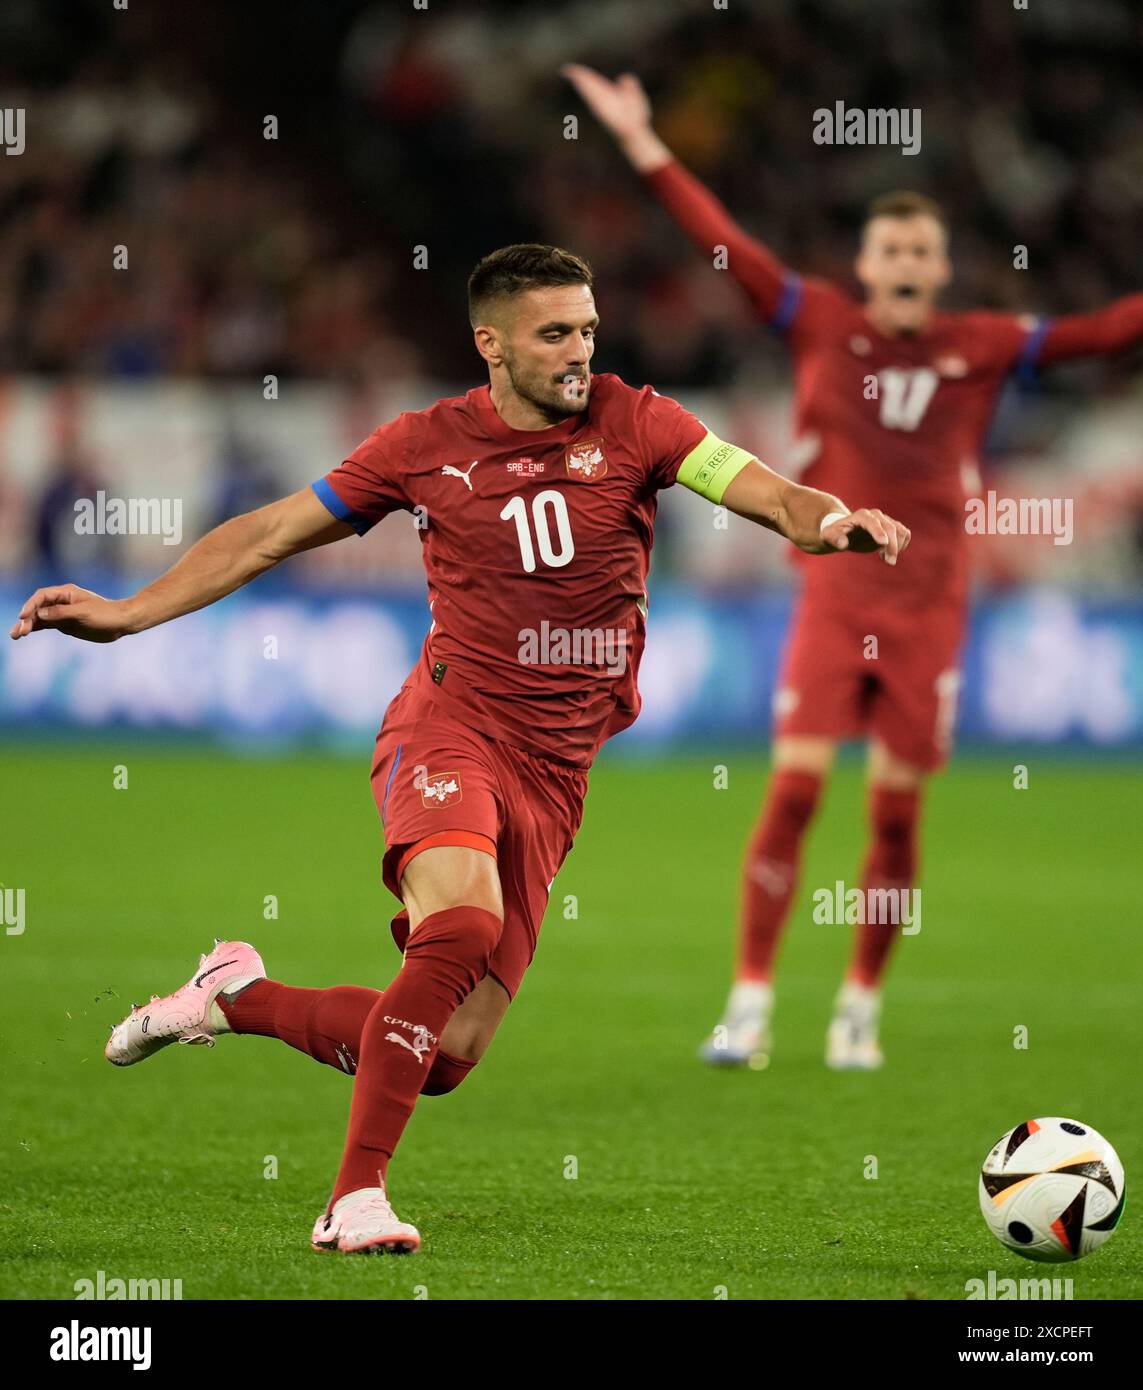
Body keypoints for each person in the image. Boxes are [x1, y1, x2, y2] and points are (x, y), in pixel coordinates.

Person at [10, 244, 909, 1253]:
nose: (581, 353)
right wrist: (130, 614)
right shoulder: (420, 446)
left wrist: (834, 522)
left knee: (445, 1053)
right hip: (451, 726)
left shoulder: (639, 421)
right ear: (492, 343)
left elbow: (771, 493)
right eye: (555, 334)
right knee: (464, 923)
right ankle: (356, 1197)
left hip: (557, 772)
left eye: (589, 329)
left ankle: (232, 997)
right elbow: (267, 533)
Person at [565, 63, 1143, 1071]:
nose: (909, 260)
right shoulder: (823, 322)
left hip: (931, 602)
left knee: (894, 811)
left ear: (942, 266)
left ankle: (859, 1005)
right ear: (868, 267)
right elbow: (727, 249)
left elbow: (1104, 332)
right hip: (837, 589)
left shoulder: (986, 342)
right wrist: (646, 144)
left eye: (924, 247)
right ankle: (749, 1002)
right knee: (792, 792)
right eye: (892, 247)